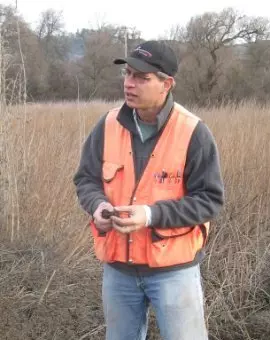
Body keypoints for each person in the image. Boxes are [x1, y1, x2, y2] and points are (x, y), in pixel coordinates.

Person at [73, 40, 224, 340]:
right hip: (118, 272)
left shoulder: (194, 132)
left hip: (174, 272)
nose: (129, 84)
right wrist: (97, 206)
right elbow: (86, 179)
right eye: (128, 74)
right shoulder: (107, 125)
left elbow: (210, 200)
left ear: (167, 84)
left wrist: (151, 215)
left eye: (141, 78)